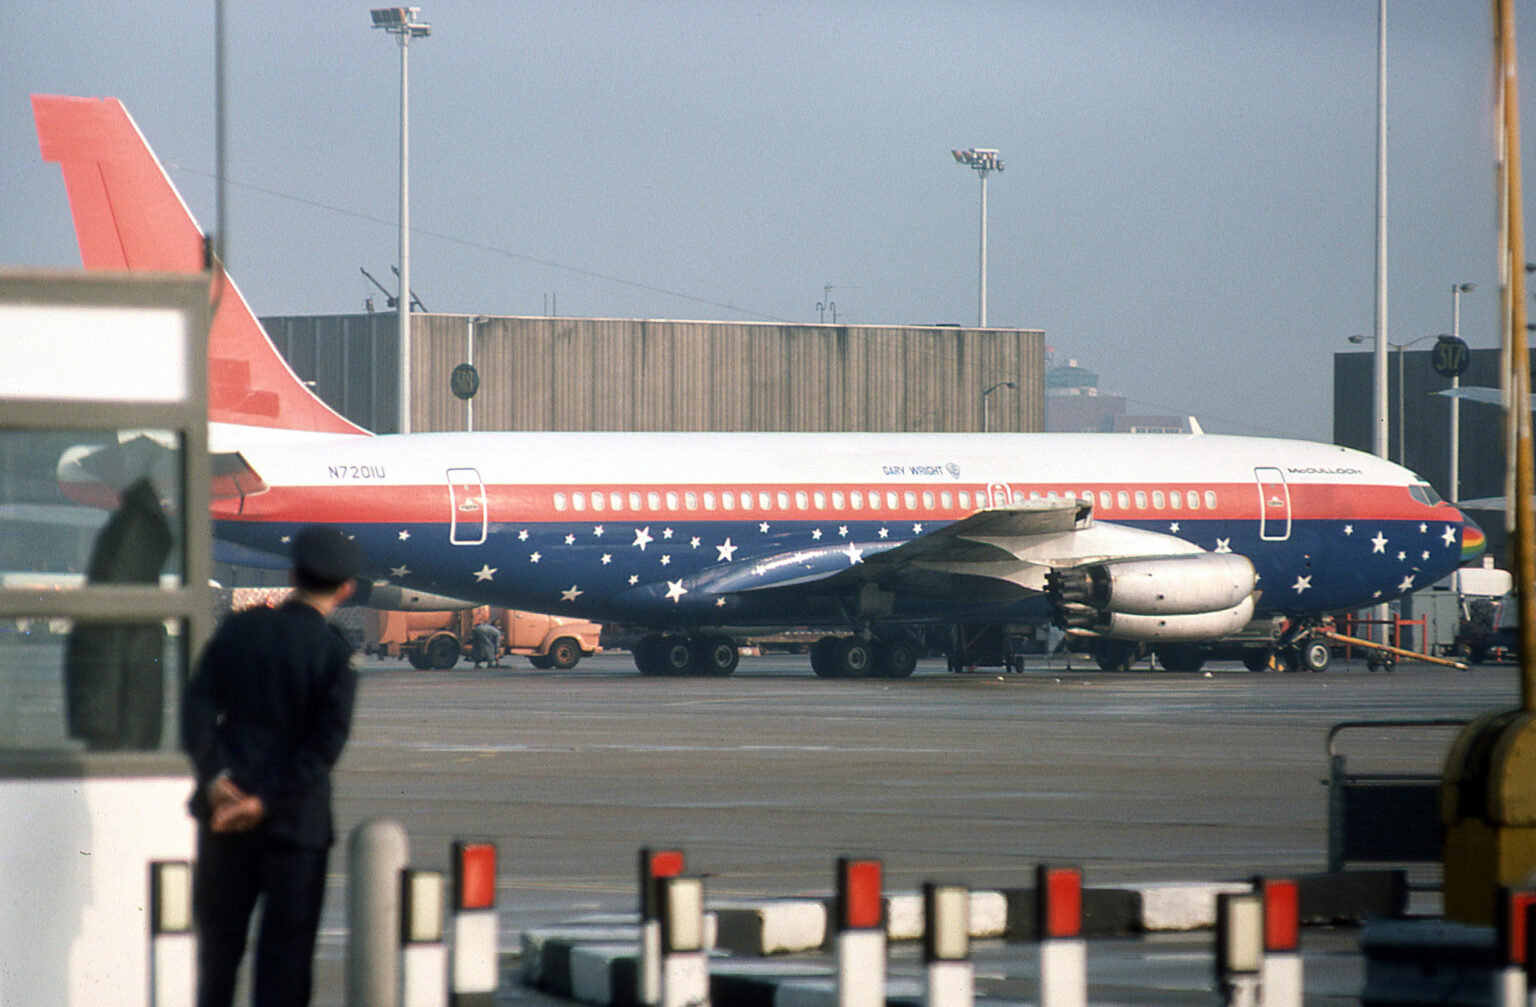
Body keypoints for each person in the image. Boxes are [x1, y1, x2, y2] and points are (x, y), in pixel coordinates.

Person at [181, 526, 363, 1007]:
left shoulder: (241, 630)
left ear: (292, 574)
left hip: (224, 816)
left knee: (217, 957)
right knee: (286, 960)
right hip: (295, 825)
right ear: (346, 589)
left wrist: (217, 779)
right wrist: (265, 800)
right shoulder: (333, 653)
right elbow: (324, 747)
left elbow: (196, 709)